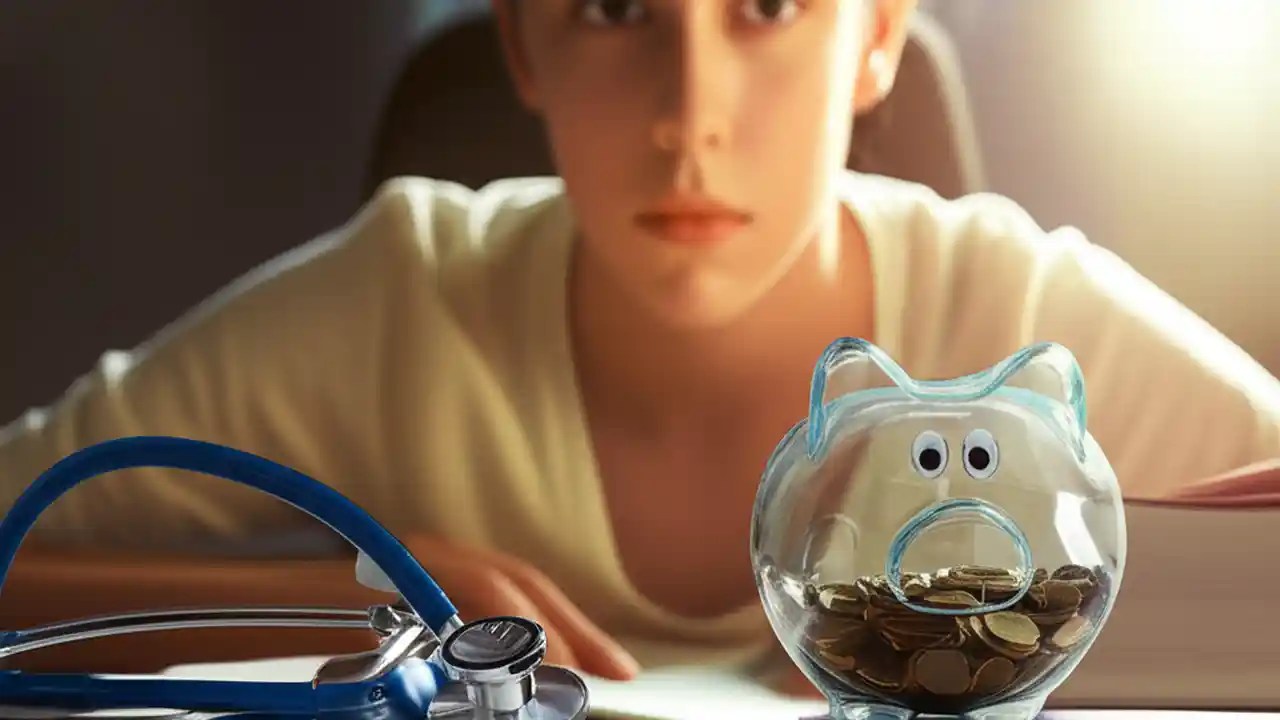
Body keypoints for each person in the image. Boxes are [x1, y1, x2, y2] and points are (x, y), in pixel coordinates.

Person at [3, 0, 1280, 695]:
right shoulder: (395, 304)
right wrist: (382, 612)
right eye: (615, 9)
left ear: (876, 35)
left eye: (766, 8)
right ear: (521, 42)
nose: (689, 117)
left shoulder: (1016, 305)